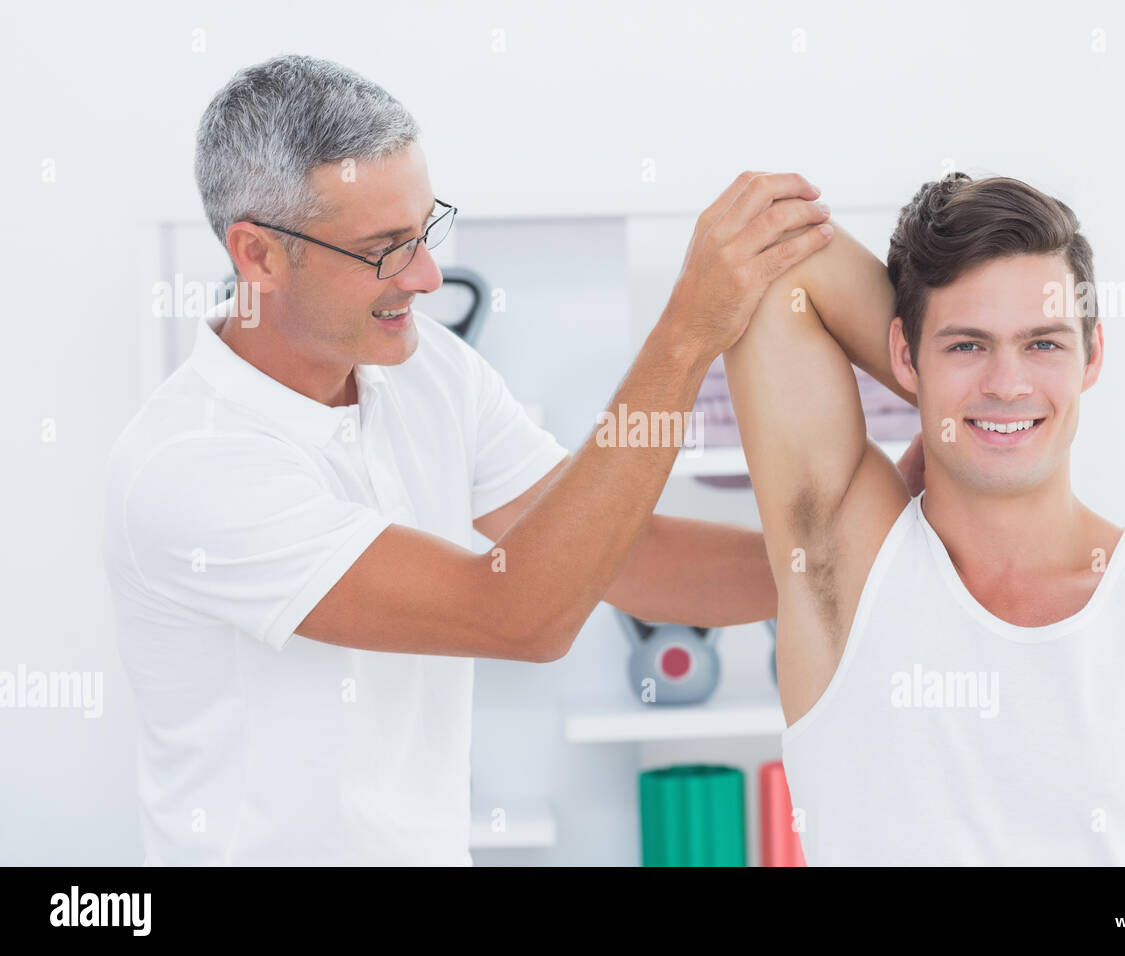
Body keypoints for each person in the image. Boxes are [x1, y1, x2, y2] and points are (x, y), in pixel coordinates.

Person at [101, 53, 835, 865]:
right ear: (259, 255)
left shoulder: (429, 370)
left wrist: (863, 557)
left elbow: (629, 557)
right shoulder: (194, 464)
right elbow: (520, 614)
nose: (426, 276)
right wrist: (687, 334)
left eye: (425, 230)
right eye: (383, 249)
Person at [724, 171, 1125, 865]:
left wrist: (952, 388)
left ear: (1093, 355)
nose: (1007, 383)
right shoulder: (847, 569)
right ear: (902, 353)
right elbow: (781, 246)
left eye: (1044, 344)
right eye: (967, 345)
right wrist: (952, 396)